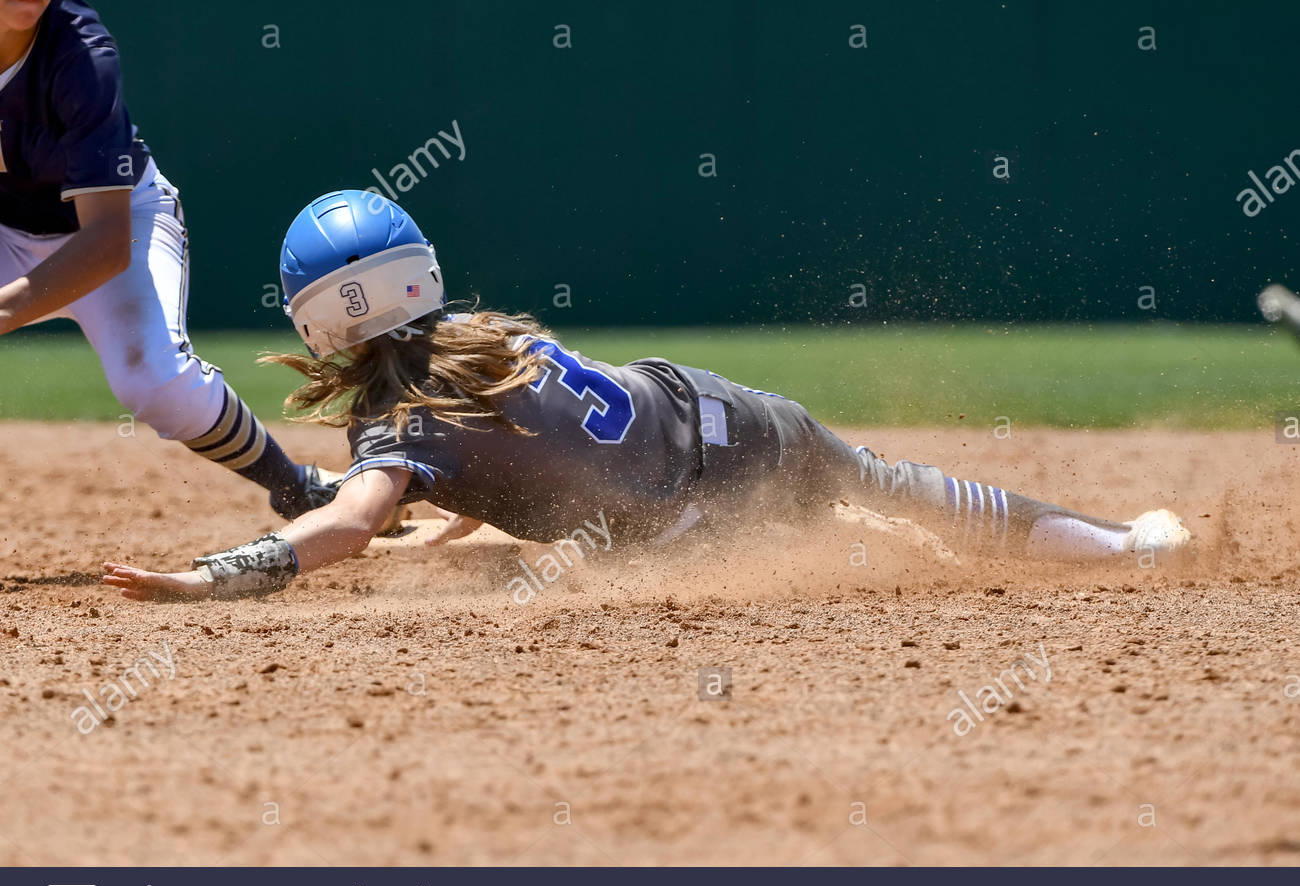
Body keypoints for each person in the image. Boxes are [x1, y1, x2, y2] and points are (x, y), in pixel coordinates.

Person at [101, 190, 1191, 602]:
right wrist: (446, 525)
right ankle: (1125, 545)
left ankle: (865, 537)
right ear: (420, 272)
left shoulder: (398, 426)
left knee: (518, 575)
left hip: (688, 521)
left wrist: (219, 574)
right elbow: (522, 445)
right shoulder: (492, 338)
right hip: (738, 413)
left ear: (314, 322)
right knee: (896, 485)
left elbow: (343, 520)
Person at [0, 0, 336, 518]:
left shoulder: (82, 57)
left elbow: (108, 242)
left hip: (119, 224)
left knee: (153, 378)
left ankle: (294, 484)